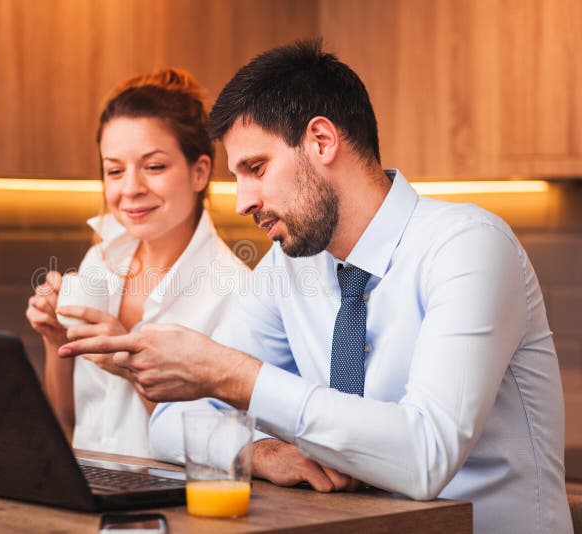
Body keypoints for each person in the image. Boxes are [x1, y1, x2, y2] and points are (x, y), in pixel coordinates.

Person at [57, 40, 572, 532]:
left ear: (321, 141)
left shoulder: (468, 248)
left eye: (256, 168)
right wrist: (258, 452)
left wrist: (235, 376)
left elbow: (425, 456)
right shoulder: (290, 268)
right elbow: (171, 423)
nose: (242, 201)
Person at [25, 68, 249, 458]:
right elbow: (72, 421)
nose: (130, 188)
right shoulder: (99, 263)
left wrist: (127, 364)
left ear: (199, 172)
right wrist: (56, 341)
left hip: (177, 508)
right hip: (90, 489)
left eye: (154, 166)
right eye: (114, 170)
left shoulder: (234, 292)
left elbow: (223, 444)